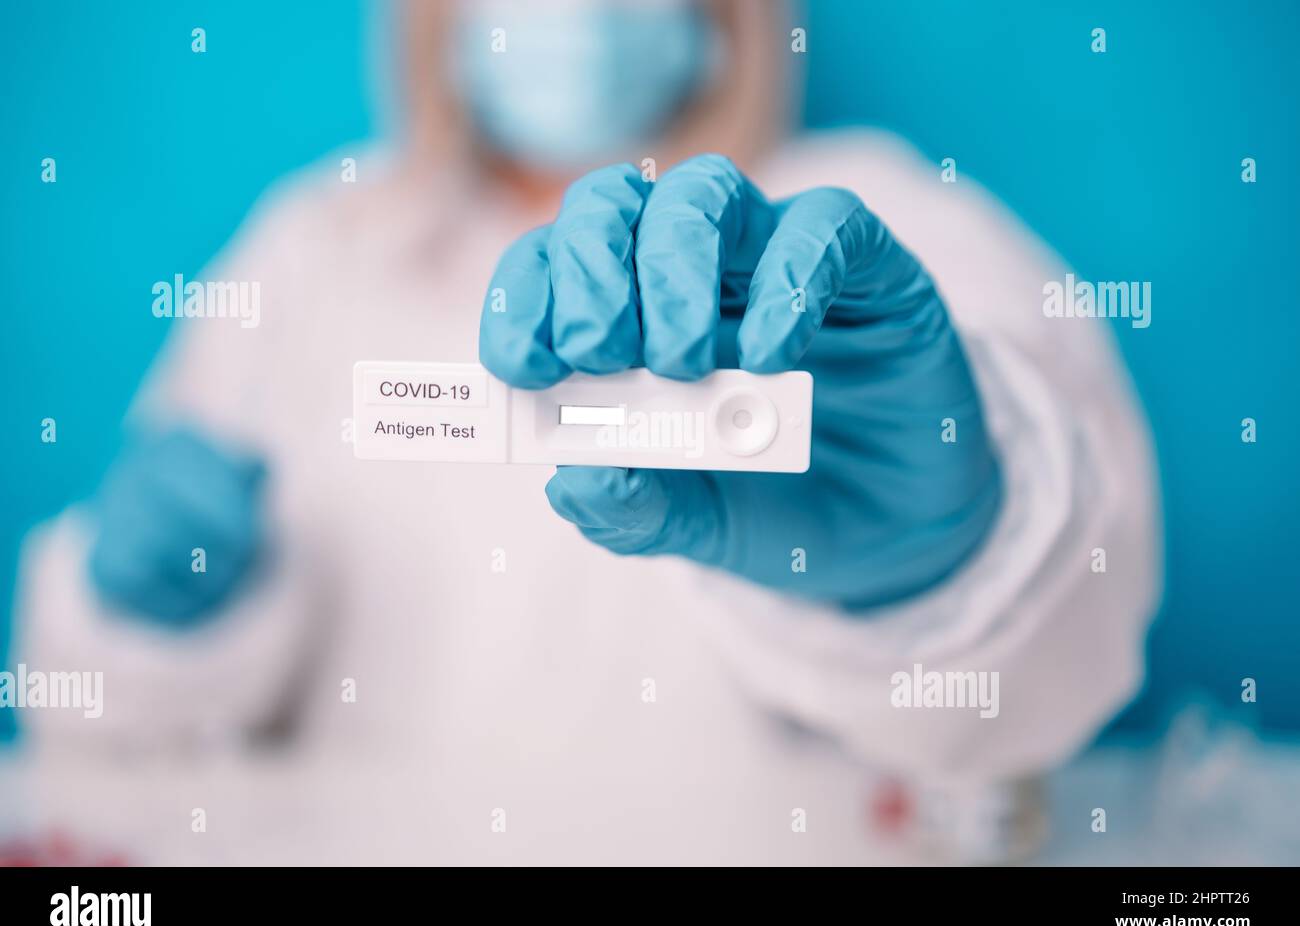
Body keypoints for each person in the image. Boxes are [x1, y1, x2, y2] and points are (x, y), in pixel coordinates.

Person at [11, 0, 1160, 864]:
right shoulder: (315, 249)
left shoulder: (865, 221)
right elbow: (97, 757)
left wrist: (947, 561)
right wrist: (147, 624)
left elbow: (1077, 638)